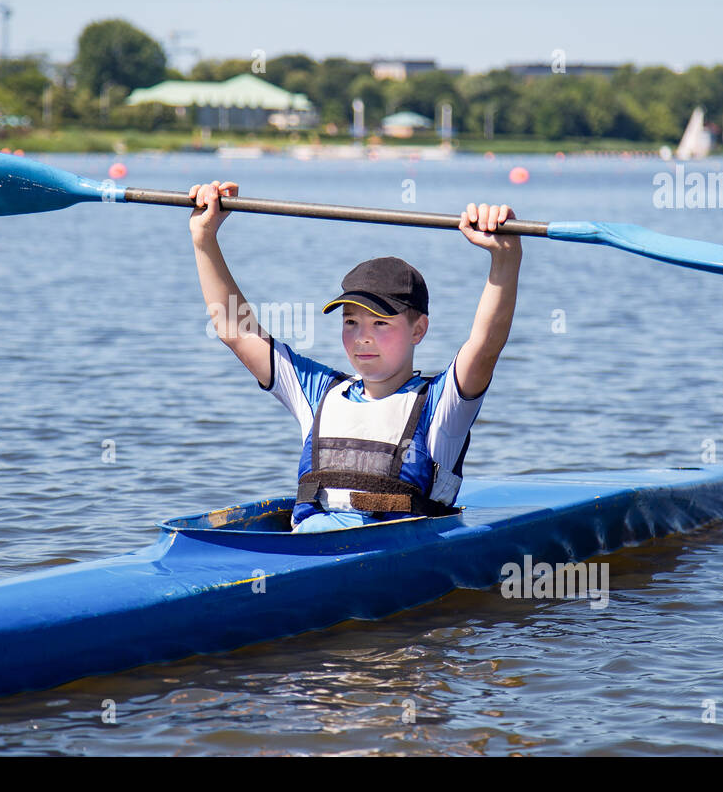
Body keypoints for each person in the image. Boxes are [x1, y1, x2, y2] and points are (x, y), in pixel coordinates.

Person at [190, 179, 521, 532]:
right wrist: (204, 238)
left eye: (380, 323)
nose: (362, 337)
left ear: (418, 330)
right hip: (303, 552)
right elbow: (235, 330)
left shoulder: (441, 406)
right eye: (351, 322)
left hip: (392, 558)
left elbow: (486, 345)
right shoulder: (317, 392)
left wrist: (505, 257)